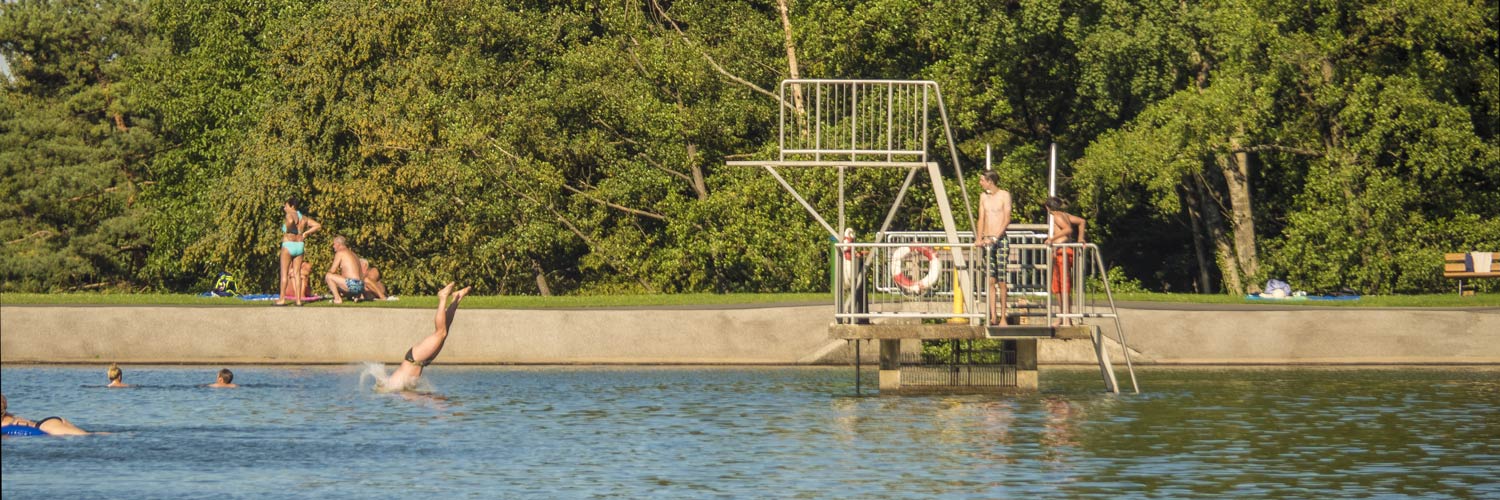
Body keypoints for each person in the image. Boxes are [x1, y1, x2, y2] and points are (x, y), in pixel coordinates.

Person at [381, 283, 471, 392]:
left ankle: (442, 297)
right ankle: (457, 298)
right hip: (421, 362)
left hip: (415, 359)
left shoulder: (392, 388)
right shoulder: (395, 388)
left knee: (440, 333)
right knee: (444, 333)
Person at [975, 170, 1013, 326]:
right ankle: (993, 315)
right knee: (990, 279)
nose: (980, 183)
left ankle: (1003, 316)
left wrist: (996, 237)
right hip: (987, 241)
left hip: (1000, 240)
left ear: (990, 181)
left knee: (1001, 280)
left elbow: (1007, 218)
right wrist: (979, 238)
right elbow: (981, 218)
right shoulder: (983, 197)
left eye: (982, 180)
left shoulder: (1004, 195)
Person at [1044, 196, 1087, 326]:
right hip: (1058, 252)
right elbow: (1082, 221)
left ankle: (1067, 317)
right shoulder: (1065, 215)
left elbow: (1068, 230)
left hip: (1063, 252)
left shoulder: (1057, 216)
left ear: (1048, 208)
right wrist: (1080, 238)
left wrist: (1052, 239)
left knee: (1064, 285)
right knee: (1057, 286)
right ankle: (1062, 316)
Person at [278, 197, 322, 306]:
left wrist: (290, 228)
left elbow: (290, 221)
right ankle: (298, 300)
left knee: (284, 273)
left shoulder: (289, 214)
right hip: (299, 245)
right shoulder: (304, 218)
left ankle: (282, 299)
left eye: (286, 206)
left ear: (291, 206)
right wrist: (305, 233)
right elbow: (317, 225)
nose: (284, 208)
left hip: (288, 244)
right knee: (297, 273)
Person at [2, 393, 89, 436]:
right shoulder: (10, 417)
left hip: (47, 426)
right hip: (49, 423)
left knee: (88, 436)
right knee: (88, 434)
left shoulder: (4, 423)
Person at [323, 236, 366, 304]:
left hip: (353, 284)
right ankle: (356, 296)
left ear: (338, 244)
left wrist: (325, 278)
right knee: (337, 288)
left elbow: (332, 270)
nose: (333, 246)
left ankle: (337, 299)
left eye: (334, 244)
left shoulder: (340, 252)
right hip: (361, 286)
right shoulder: (353, 254)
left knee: (328, 276)